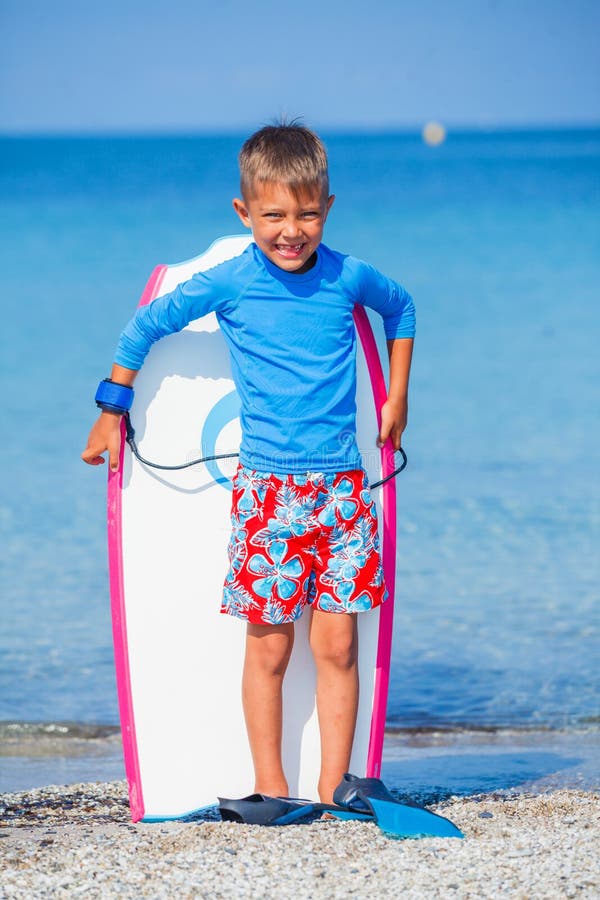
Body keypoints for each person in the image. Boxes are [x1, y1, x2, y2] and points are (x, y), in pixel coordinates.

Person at [82, 123, 415, 804]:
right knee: (269, 650)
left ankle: (335, 787)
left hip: (343, 493)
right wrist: (112, 408)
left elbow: (402, 307)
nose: (291, 231)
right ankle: (270, 785)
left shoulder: (346, 274)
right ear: (245, 214)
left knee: (339, 648)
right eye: (274, 216)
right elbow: (145, 324)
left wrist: (398, 396)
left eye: (308, 213)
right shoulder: (233, 280)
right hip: (268, 497)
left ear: (328, 205)